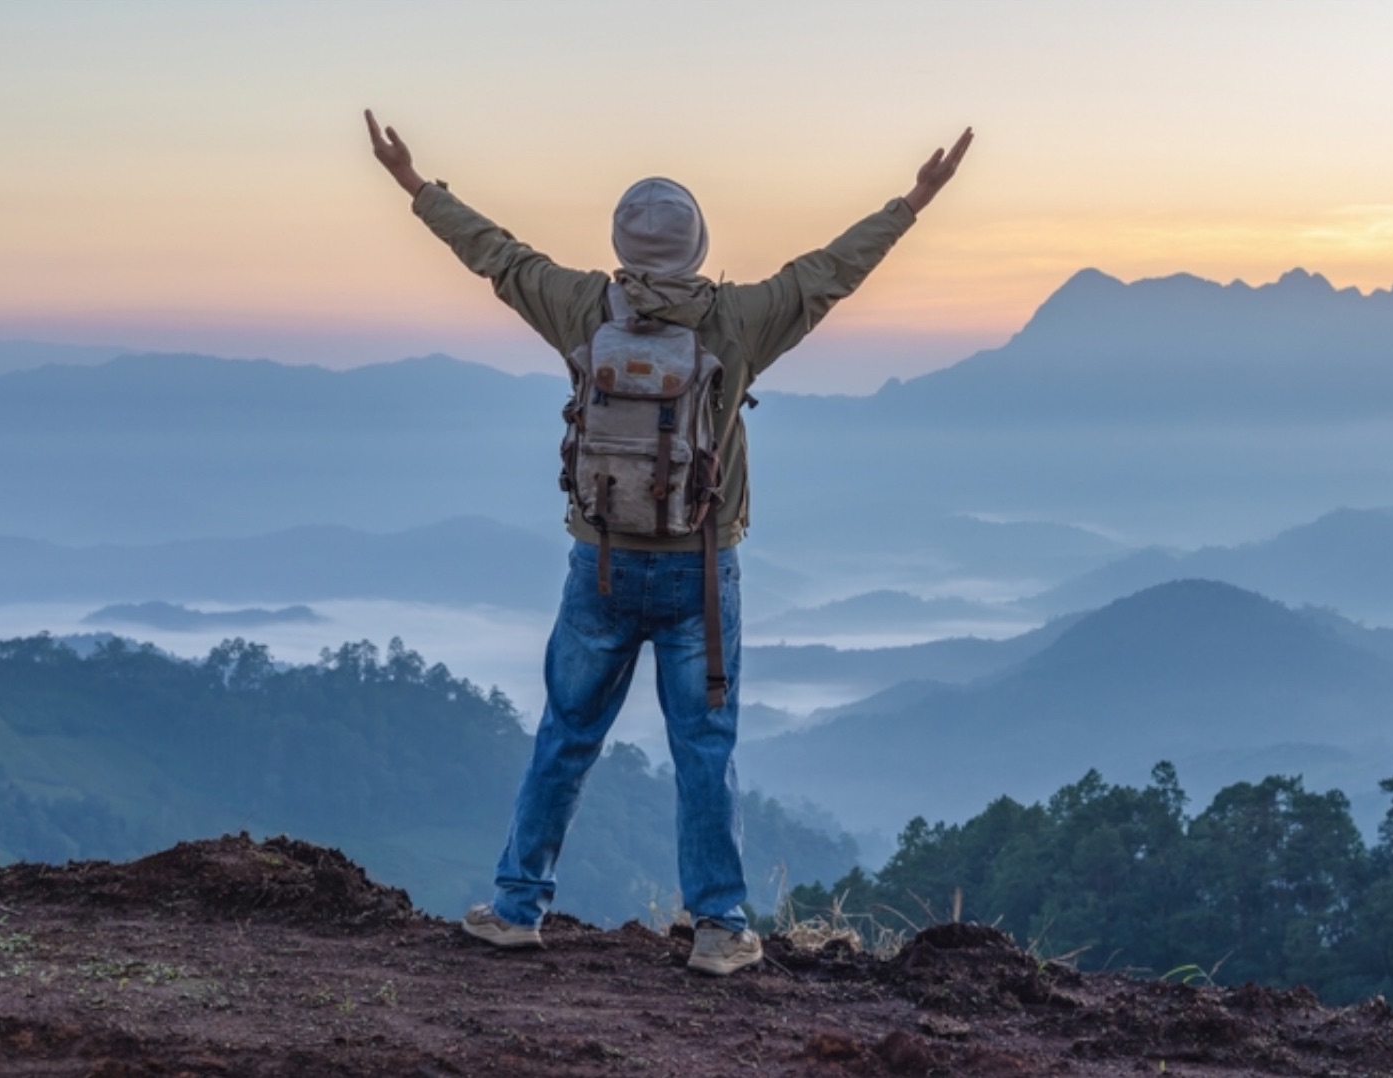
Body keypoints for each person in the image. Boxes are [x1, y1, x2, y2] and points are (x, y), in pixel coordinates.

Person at [364, 109, 971, 975]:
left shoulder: (580, 306)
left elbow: (494, 255)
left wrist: (414, 185)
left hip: (601, 565)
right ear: (696, 247)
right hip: (700, 573)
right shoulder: (739, 321)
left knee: (565, 735)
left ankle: (516, 907)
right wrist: (915, 198)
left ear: (620, 243)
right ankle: (720, 929)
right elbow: (832, 271)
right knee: (705, 748)